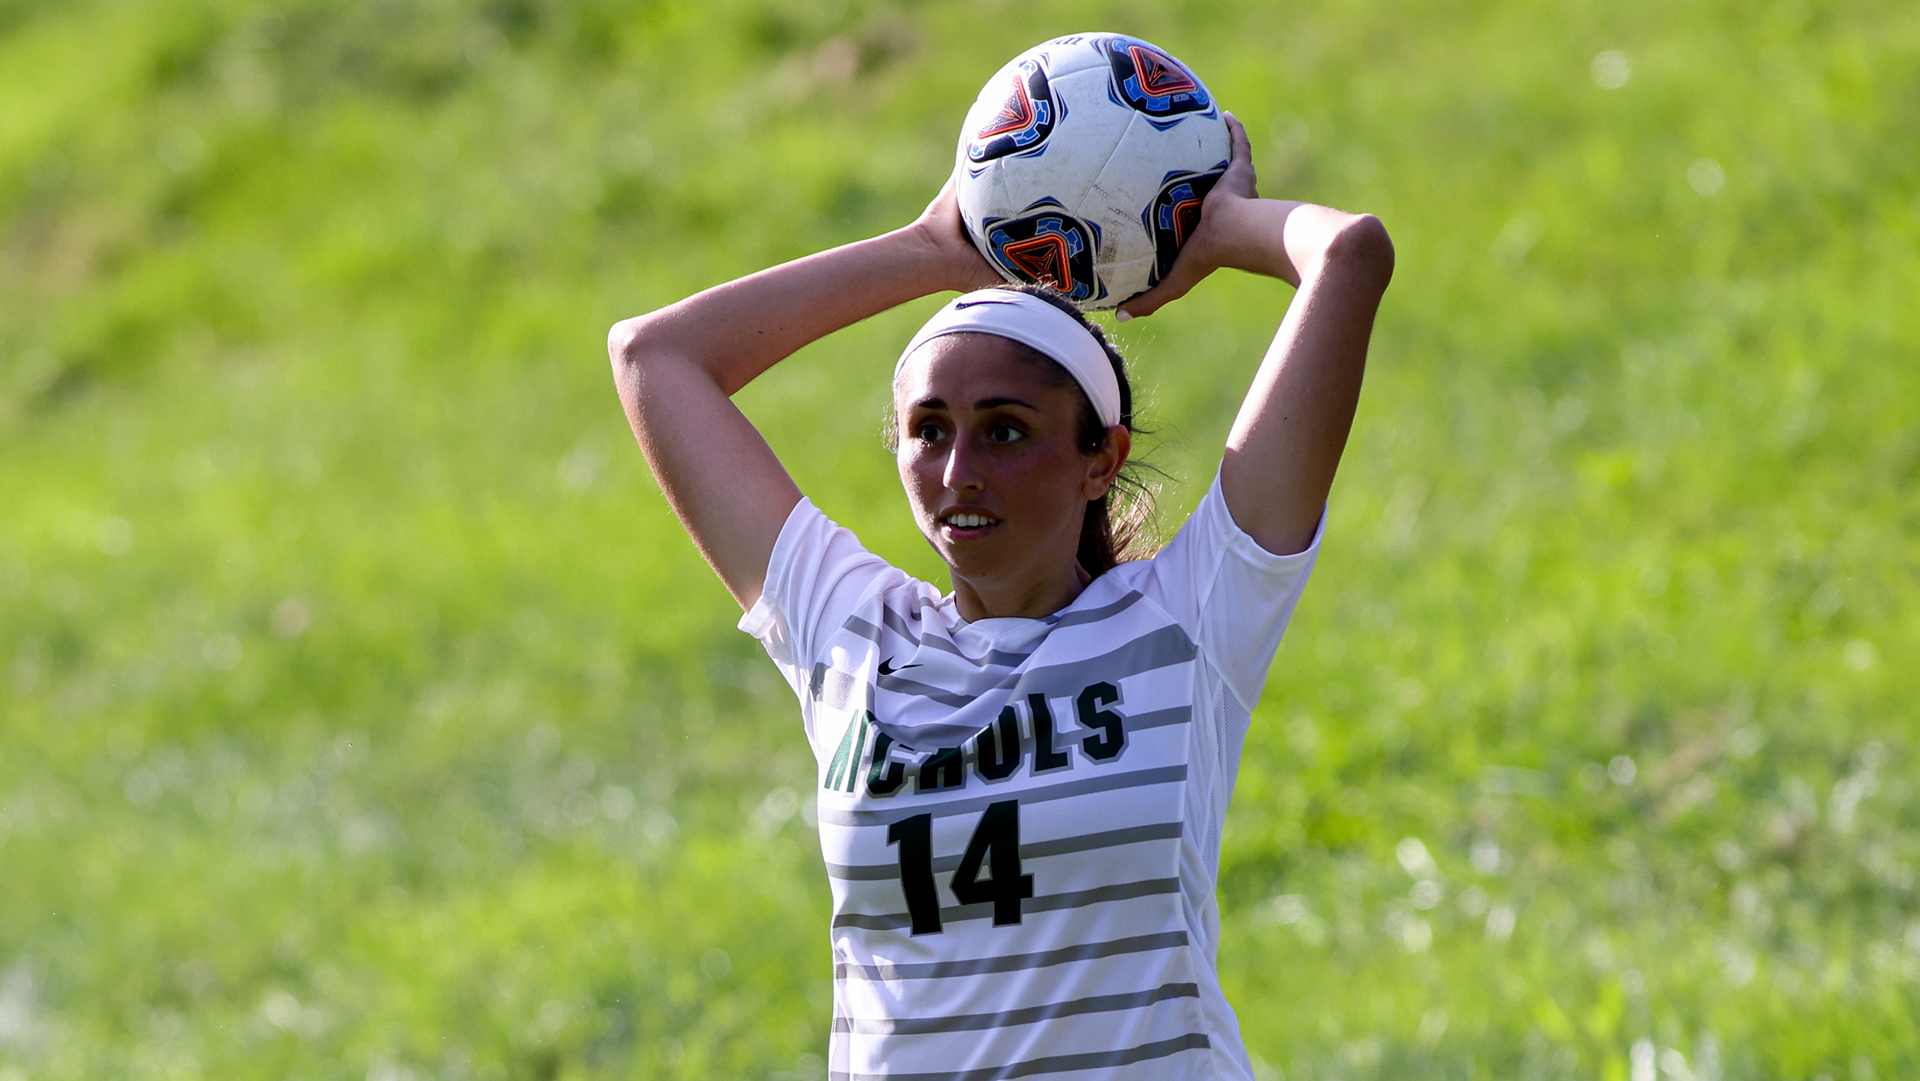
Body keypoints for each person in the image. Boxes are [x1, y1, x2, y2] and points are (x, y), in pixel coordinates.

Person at [606, 113, 1391, 1080]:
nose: (959, 471)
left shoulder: (1186, 621)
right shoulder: (853, 631)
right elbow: (654, 357)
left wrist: (1216, 228)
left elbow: (1349, 255)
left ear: (1101, 458)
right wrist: (934, 248)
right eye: (928, 431)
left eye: (1007, 431)